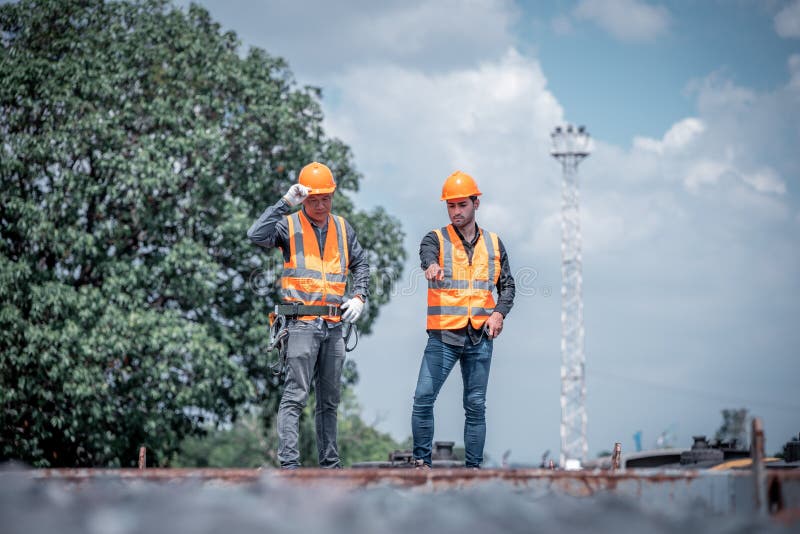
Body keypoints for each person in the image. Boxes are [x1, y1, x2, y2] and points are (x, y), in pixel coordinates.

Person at [247, 162, 370, 469]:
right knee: (295, 397)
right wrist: (284, 203)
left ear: (332, 195)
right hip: (300, 325)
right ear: (303, 197)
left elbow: (362, 265)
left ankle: (331, 465)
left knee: (329, 401)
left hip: (333, 326)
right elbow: (255, 235)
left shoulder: (343, 228)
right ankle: (290, 467)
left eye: (325, 198)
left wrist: (359, 296)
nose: (320, 205)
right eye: (313, 199)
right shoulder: (287, 226)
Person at [411, 170, 516, 469]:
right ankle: (421, 463)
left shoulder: (495, 244)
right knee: (423, 398)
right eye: (451, 206)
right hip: (443, 337)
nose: (456, 211)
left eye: (462, 205)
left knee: (475, 406)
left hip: (480, 337)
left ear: (476, 204)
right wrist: (430, 266)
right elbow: (426, 253)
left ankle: (473, 470)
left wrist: (499, 313)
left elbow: (507, 286)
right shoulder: (436, 239)